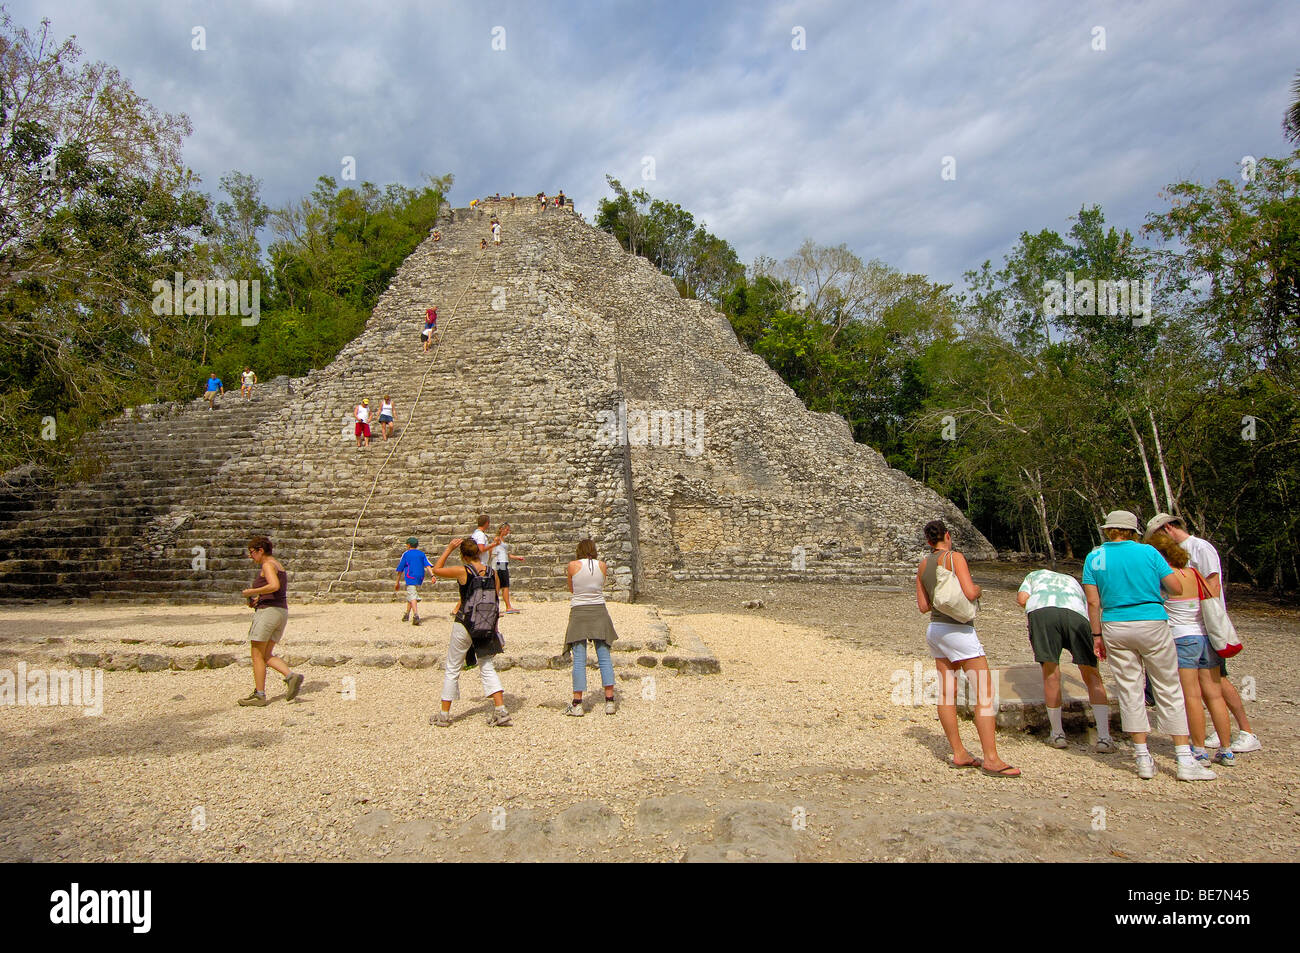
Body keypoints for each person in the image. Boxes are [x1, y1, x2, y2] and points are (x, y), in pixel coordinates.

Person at [1082, 510, 1214, 781]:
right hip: (1152, 620)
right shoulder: (1149, 553)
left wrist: (1097, 636)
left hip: (1115, 624)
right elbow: (1175, 587)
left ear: (1109, 530)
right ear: (1133, 531)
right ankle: (1184, 758)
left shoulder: (1094, 557)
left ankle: (1142, 757)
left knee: (1130, 688)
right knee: (1168, 686)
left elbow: (1093, 602)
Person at [1145, 513, 1260, 753]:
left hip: (1203, 626)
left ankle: (1245, 731)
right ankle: (1224, 738)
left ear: (1167, 529)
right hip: (1202, 629)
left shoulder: (1200, 548)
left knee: (1213, 688)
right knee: (1214, 688)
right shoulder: (1187, 564)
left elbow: (1213, 586)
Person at [916, 520, 1019, 777]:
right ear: (947, 536)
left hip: (936, 630)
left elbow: (923, 606)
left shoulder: (923, 565)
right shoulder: (955, 558)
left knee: (946, 693)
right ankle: (992, 759)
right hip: (959, 631)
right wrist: (979, 590)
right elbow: (970, 593)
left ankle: (959, 752)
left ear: (928, 541)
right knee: (984, 692)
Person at [1146, 532, 1235, 767]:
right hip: (1207, 637)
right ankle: (1226, 749)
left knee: (1191, 696)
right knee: (1214, 694)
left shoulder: (1166, 578)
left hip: (1182, 638)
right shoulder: (1195, 574)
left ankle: (1199, 748)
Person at [1016, 568, 1115, 752]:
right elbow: (1088, 604)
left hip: (1042, 612)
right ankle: (1104, 737)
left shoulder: (1033, 575)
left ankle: (1057, 734)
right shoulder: (1071, 579)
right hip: (1076, 614)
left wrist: (1039, 608)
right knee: (1091, 673)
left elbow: (1022, 599)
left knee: (1051, 672)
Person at [429, 537, 512, 727]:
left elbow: (436, 570)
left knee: (453, 667)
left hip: (465, 622)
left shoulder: (463, 570)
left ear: (464, 555)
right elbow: (495, 599)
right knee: (487, 665)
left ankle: (444, 714)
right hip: (486, 623)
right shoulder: (493, 573)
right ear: (478, 553)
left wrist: (449, 548)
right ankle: (501, 710)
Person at [238, 536, 304, 706]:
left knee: (257, 654)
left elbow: (274, 586)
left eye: (252, 552)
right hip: (280, 612)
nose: (250, 556)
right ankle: (290, 676)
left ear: (261, 550)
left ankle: (260, 694)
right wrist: (258, 598)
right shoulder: (278, 565)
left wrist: (251, 591)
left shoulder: (267, 565)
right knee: (266, 654)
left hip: (268, 613)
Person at [563, 539, 618, 716]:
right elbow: (600, 586)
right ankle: (609, 701)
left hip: (579, 610)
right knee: (604, 657)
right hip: (598, 609)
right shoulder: (602, 565)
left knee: (579, 658)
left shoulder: (572, 565)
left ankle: (577, 703)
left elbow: (572, 589)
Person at [395, 536, 432, 625]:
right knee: (412, 594)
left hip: (410, 576)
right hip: (420, 577)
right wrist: (432, 575)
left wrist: (397, 581)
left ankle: (416, 615)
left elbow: (400, 568)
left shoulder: (406, 554)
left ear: (408, 545)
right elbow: (427, 565)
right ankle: (407, 614)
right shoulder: (421, 554)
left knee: (412, 595)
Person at [491, 523, 525, 613]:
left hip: (503, 562)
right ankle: (507, 606)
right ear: (502, 529)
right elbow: (493, 551)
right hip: (500, 563)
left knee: (502, 585)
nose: (508, 532)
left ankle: (502, 606)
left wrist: (517, 558)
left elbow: (506, 554)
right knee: (504, 585)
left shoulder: (502, 540)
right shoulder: (497, 539)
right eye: (507, 530)